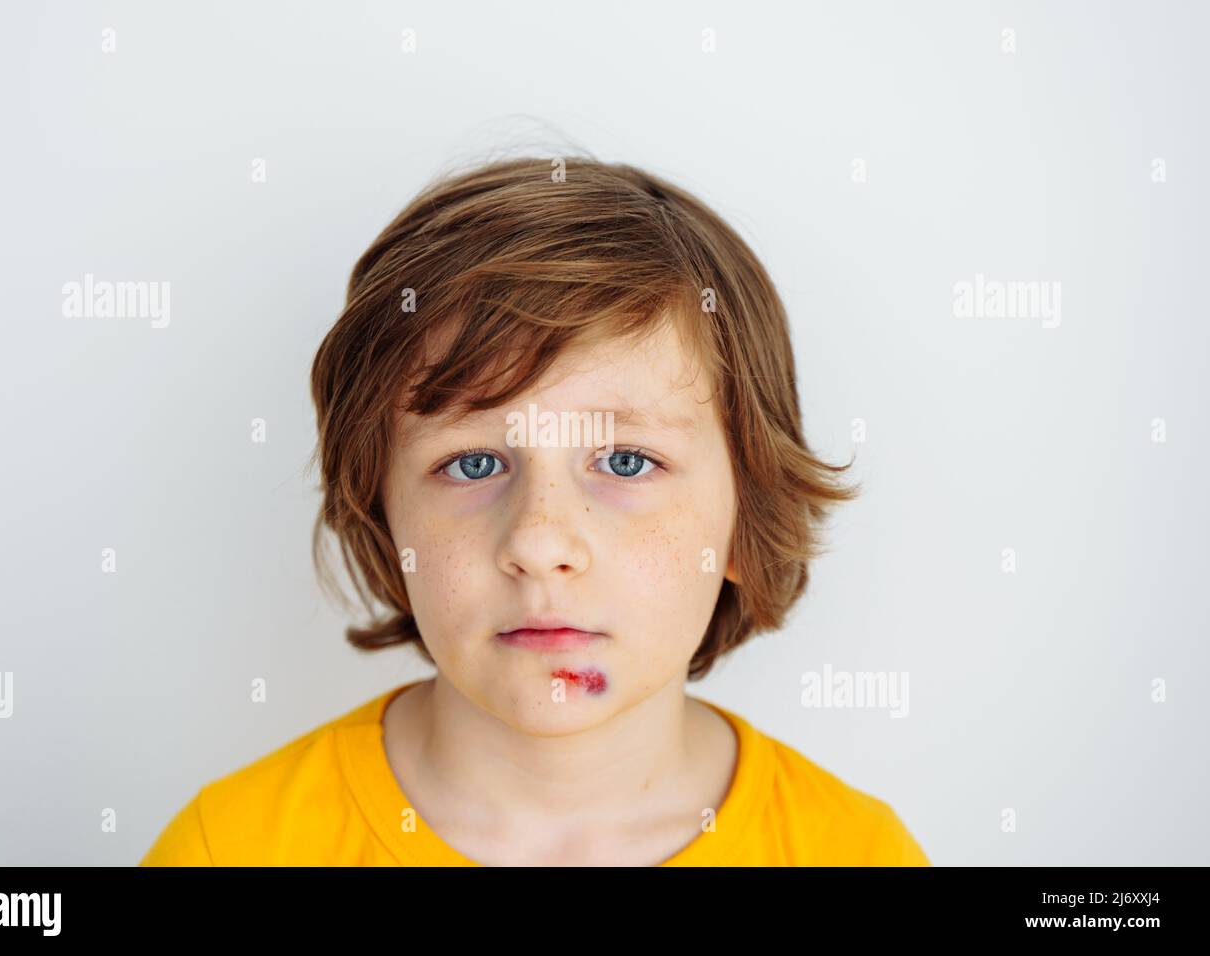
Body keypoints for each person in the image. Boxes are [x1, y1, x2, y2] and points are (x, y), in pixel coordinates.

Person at [140, 155, 930, 866]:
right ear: (384, 517)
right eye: (474, 462)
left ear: (745, 520)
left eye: (626, 461)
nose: (540, 541)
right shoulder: (230, 849)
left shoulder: (857, 853)